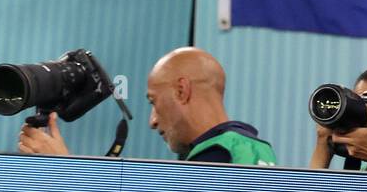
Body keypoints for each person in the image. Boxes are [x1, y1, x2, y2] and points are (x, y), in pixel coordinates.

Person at [19, 46, 277, 164]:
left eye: (154, 102)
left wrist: (65, 170)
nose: (152, 121)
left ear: (181, 90)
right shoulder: (257, 149)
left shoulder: (216, 156)